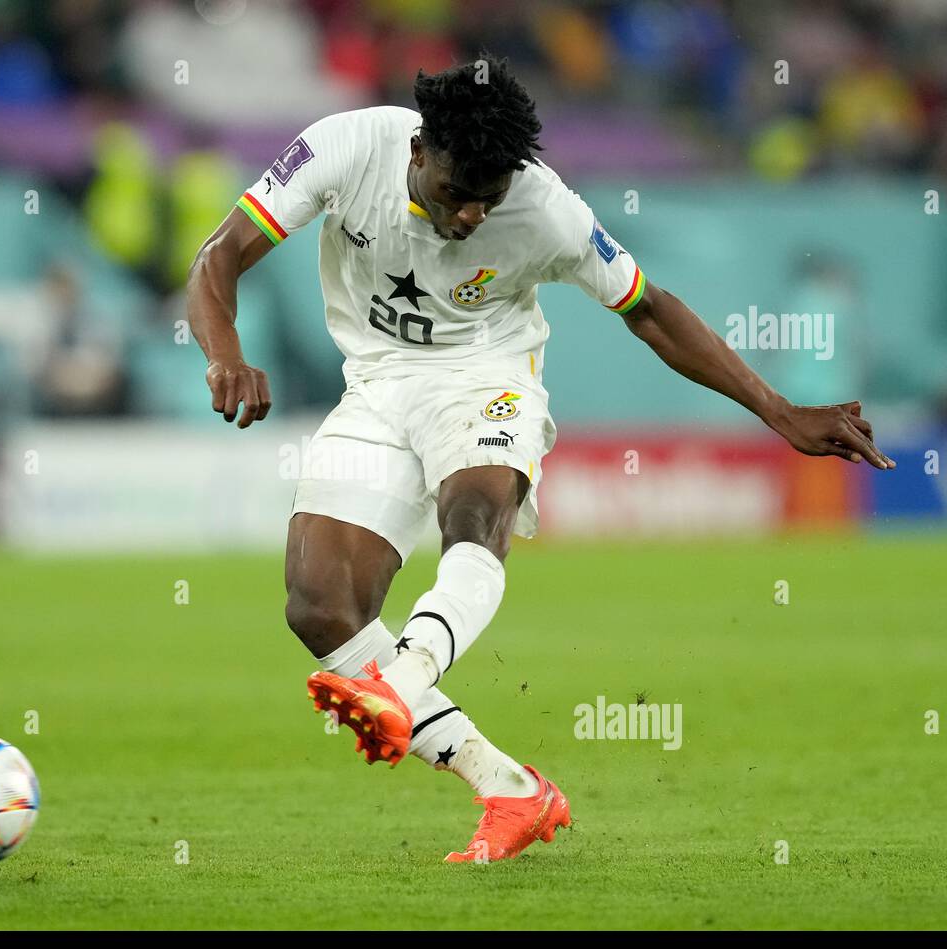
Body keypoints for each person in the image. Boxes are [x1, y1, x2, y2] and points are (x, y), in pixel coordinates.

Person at [186, 56, 893, 862]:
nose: (469, 216)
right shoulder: (345, 147)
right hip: (377, 385)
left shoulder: (545, 208)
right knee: (320, 607)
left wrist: (777, 409)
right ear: (417, 151)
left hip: (488, 379)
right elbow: (219, 258)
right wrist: (223, 354)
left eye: (487, 199)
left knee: (474, 515)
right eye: (456, 193)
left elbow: (651, 310)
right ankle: (511, 789)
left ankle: (403, 681)